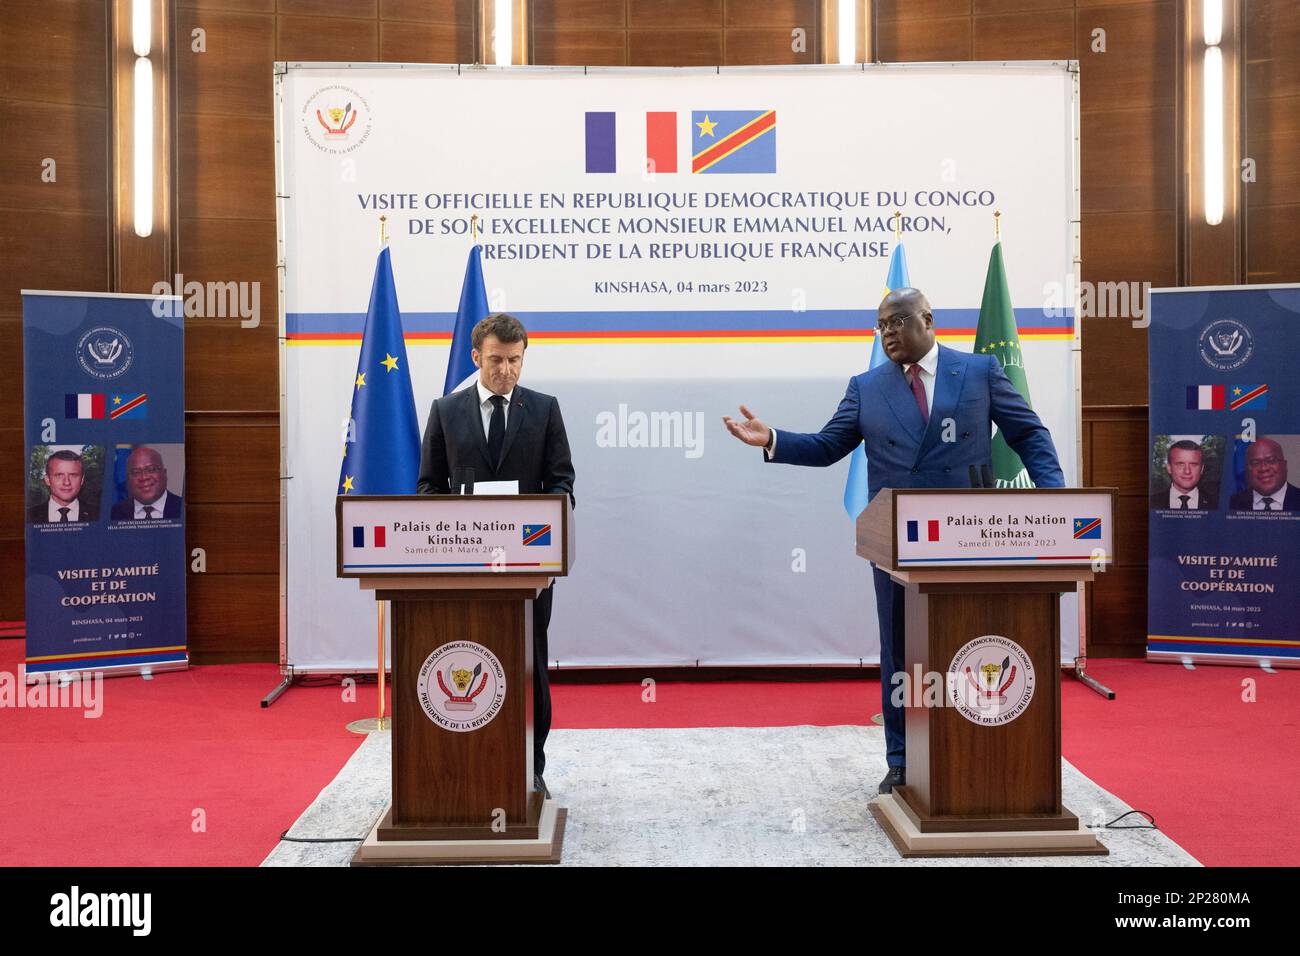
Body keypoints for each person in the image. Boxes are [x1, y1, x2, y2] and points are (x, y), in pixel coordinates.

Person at [723, 287, 1064, 796]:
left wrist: (1055, 501)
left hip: (974, 539)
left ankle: (987, 751)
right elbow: (828, 446)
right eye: (881, 326)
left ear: (927, 319)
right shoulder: (866, 387)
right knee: (901, 652)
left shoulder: (978, 372)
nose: (887, 334)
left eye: (897, 322)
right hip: (898, 542)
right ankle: (902, 759)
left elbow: (1028, 435)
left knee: (975, 643)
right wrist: (772, 438)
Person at [416, 313, 576, 799]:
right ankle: (458, 767)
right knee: (465, 653)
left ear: (523, 357)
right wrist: (462, 523)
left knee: (530, 662)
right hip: (461, 566)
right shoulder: (445, 411)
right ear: (475, 358)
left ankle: (532, 768)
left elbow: (562, 482)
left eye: (514, 360)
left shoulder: (545, 410)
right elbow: (427, 487)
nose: (504, 370)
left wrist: (542, 523)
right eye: (495, 360)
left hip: (530, 567)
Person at [110, 445, 183, 520]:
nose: (144, 477)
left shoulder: (182, 508)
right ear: (128, 479)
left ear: (164, 473)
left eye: (151, 469)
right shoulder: (114, 514)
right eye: (136, 472)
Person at [1229, 437, 1300, 511]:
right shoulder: (1232, 504)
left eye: (1271, 461)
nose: (1263, 468)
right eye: (1255, 463)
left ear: (1285, 466)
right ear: (1247, 470)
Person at [28, 449, 97, 523]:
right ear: (47, 480)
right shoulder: (29, 516)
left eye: (73, 475)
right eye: (59, 475)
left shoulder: (97, 513)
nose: (67, 482)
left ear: (82, 480)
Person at [1151, 439, 1217, 510]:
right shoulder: (1151, 503)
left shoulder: (1215, 504)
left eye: (1193, 464)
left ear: (1201, 469)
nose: (1187, 471)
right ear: (1169, 468)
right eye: (1180, 464)